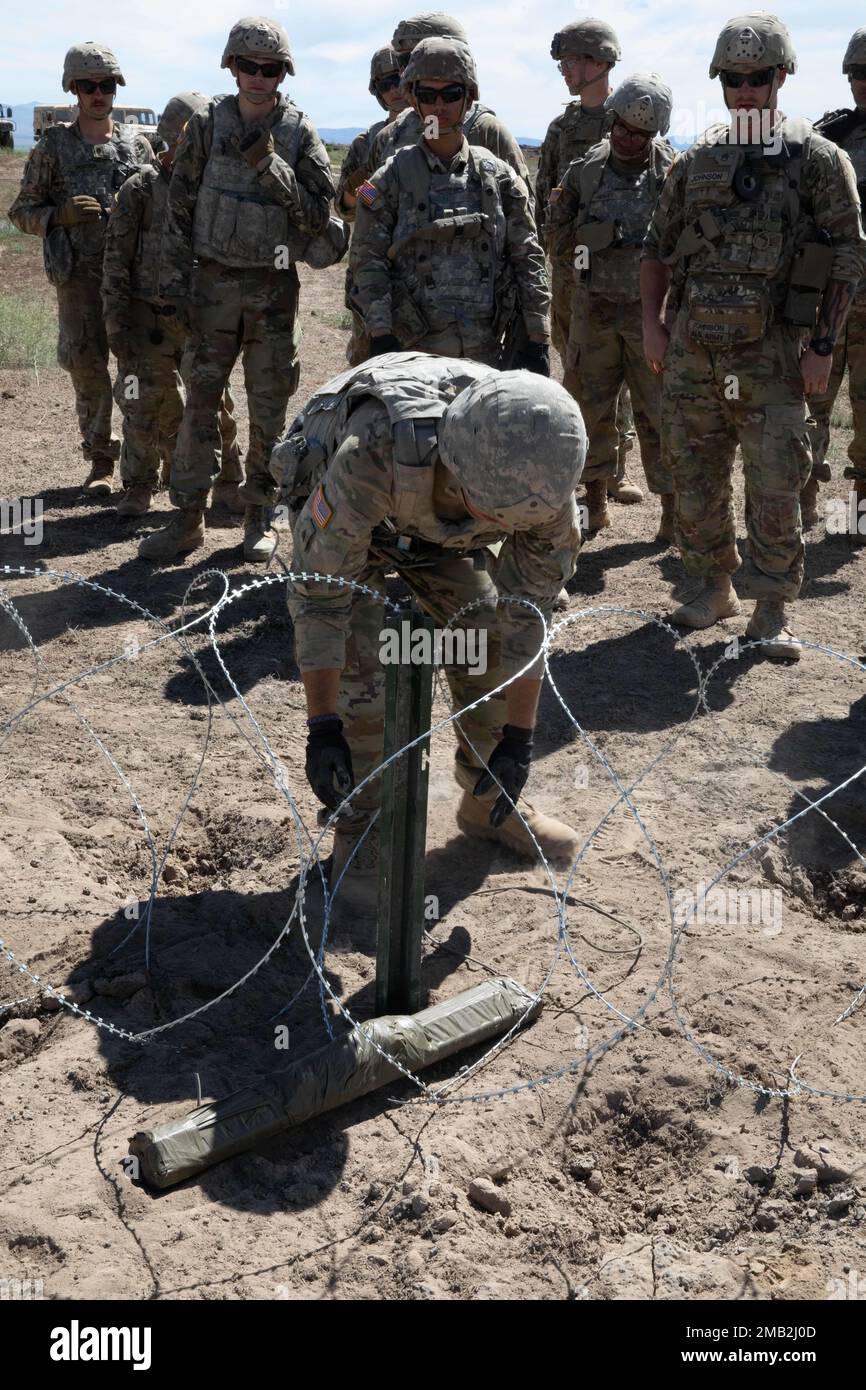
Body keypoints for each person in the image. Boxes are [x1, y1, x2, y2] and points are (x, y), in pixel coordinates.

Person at [273, 354, 586, 916]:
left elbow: (526, 620)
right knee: (359, 665)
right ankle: (361, 824)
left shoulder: (543, 482)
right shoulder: (372, 455)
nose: (511, 529)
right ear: (456, 465)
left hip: (440, 534)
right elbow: (321, 599)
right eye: (494, 513)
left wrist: (519, 739)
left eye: (517, 522)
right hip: (358, 520)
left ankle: (490, 798)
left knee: (486, 634)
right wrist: (322, 727)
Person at [641, 11, 866, 660]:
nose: (744, 89)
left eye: (757, 76)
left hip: (773, 355)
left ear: (781, 77)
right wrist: (652, 329)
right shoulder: (698, 160)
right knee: (695, 476)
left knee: (775, 483)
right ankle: (714, 586)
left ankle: (771, 609)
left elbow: (849, 254)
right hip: (692, 354)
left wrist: (823, 345)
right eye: (732, 78)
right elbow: (657, 251)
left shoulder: (818, 160)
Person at [140, 15, 335, 563]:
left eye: (269, 68)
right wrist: (171, 288)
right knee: (200, 405)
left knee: (268, 409)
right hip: (211, 288)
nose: (257, 77)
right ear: (231, 66)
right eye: (248, 66)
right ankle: (186, 519)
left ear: (282, 73)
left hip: (273, 293)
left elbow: (320, 215)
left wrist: (271, 165)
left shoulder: (298, 132)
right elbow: (179, 207)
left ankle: (258, 516)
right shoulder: (205, 124)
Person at [349, 37, 549, 371]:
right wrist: (381, 335)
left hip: (488, 355)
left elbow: (528, 259)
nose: (439, 106)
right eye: (428, 96)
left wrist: (538, 339)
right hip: (411, 357)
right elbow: (367, 260)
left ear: (469, 98)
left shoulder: (500, 178)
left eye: (451, 94)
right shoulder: (390, 178)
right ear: (414, 100)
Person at [8, 42, 153, 495]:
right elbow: (21, 211)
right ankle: (101, 461)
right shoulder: (54, 147)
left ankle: (140, 457)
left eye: (106, 85)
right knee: (88, 368)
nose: (98, 94)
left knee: (136, 367)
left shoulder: (137, 146)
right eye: (89, 86)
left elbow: (160, 210)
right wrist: (59, 216)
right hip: (78, 280)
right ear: (73, 89)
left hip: (130, 279)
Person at [101, 93, 244, 517]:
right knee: (138, 403)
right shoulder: (140, 189)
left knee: (215, 405)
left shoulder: (212, 191)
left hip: (201, 317)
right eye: (186, 139)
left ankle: (229, 482)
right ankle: (139, 485)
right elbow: (115, 260)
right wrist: (116, 321)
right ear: (169, 138)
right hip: (147, 320)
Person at [547, 74, 676, 539]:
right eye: (622, 127)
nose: (626, 138)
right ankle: (595, 504)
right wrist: (593, 240)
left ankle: (671, 512)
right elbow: (555, 238)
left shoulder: (671, 173)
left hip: (651, 314)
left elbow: (683, 242)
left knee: (661, 414)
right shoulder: (585, 171)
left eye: (639, 134)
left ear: (654, 134)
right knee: (588, 411)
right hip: (594, 310)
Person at [537, 18, 641, 507]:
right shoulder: (563, 129)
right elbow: (546, 207)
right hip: (570, 277)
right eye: (562, 61)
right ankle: (590, 470)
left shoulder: (630, 122)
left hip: (624, 277)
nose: (565, 70)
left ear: (601, 62)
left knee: (624, 371)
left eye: (574, 60)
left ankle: (617, 466)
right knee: (581, 371)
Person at [805, 28, 866, 529]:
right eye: (856, 73)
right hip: (830, 296)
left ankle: (860, 513)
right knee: (811, 401)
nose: (862, 82)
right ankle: (802, 504)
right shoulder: (831, 136)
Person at [364, 12, 531, 193]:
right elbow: (359, 203)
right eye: (402, 62)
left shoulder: (487, 131)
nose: (403, 71)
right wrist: (359, 189)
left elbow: (522, 203)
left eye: (411, 59)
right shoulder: (392, 133)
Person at [336, 46, 409, 366]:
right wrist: (365, 189)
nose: (393, 90)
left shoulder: (440, 134)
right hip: (372, 273)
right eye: (384, 85)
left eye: (399, 79)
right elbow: (345, 208)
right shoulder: (366, 143)